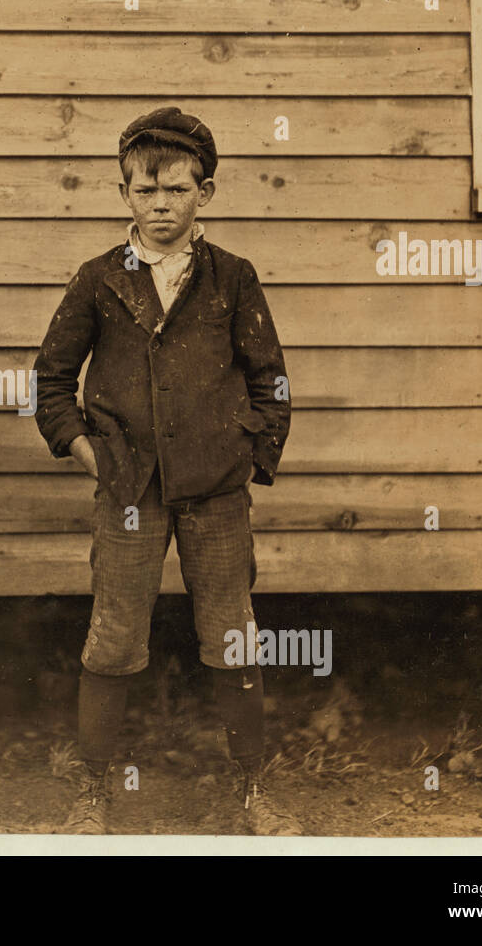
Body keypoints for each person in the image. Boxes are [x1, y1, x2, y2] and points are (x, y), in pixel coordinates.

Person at [32, 108, 299, 835]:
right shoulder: (97, 281)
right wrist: (92, 456)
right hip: (128, 492)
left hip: (215, 492)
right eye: (144, 191)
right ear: (125, 195)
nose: (160, 205)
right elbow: (50, 383)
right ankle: (91, 791)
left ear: (203, 193)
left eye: (176, 190)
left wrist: (249, 459)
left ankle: (253, 790)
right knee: (114, 639)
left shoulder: (232, 279)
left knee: (233, 637)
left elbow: (270, 379)